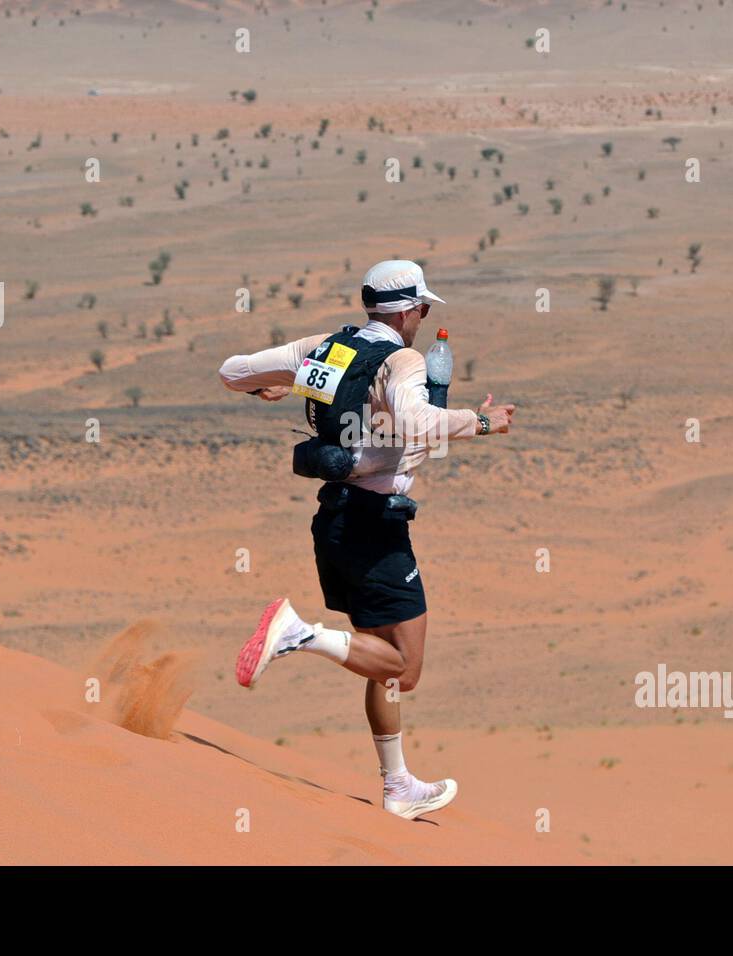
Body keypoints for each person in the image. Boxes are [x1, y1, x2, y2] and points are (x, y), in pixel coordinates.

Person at [218, 260, 515, 820]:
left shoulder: (326, 348)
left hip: (334, 523)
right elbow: (416, 422)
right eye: (422, 309)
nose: (423, 318)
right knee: (404, 668)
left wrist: (273, 384)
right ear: (407, 310)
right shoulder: (403, 360)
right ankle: (298, 633)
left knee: (380, 664)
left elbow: (232, 370)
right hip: (374, 529)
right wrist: (482, 423)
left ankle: (398, 785)